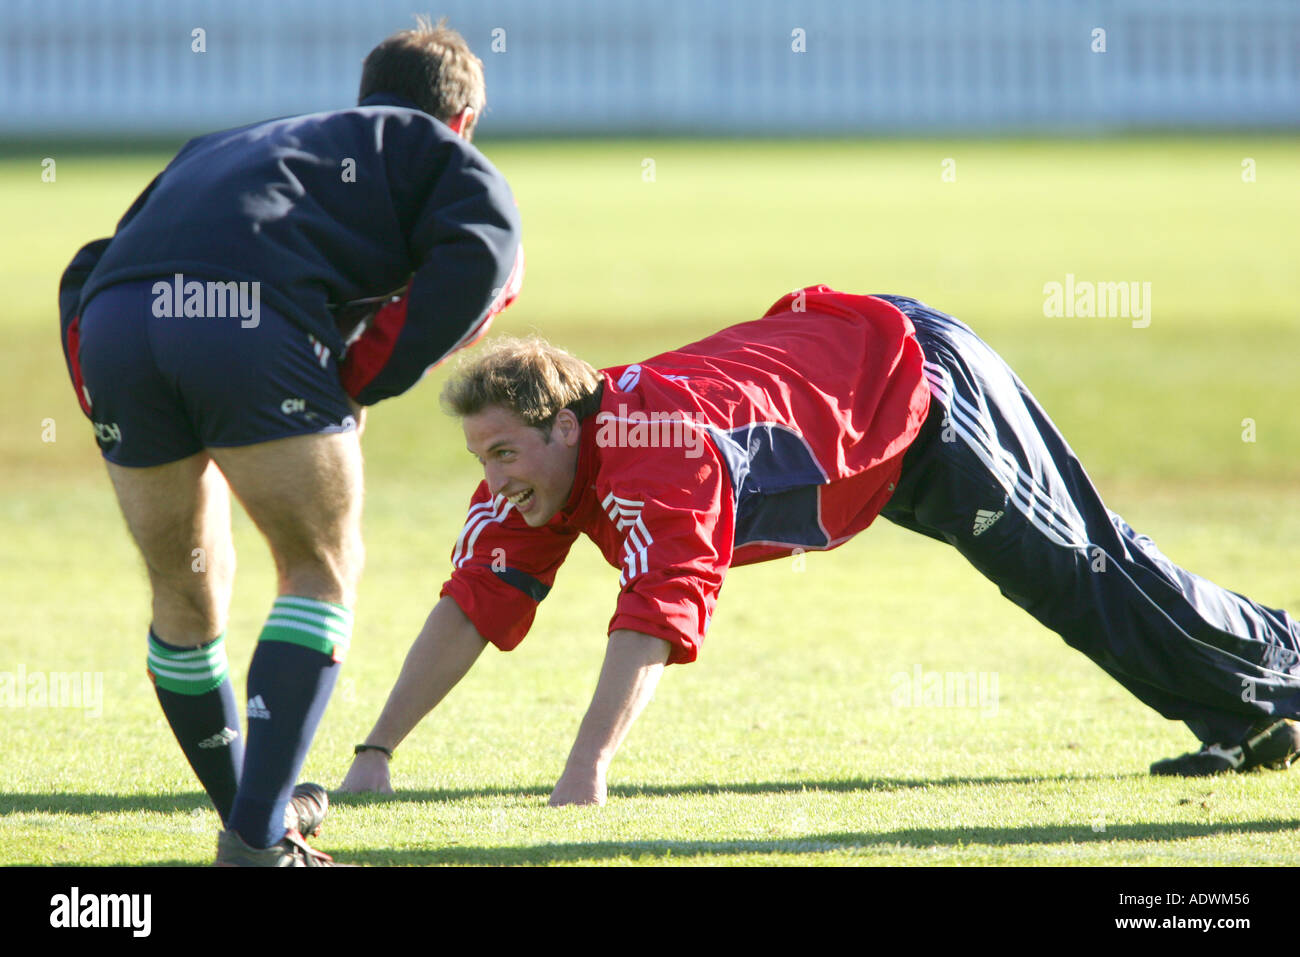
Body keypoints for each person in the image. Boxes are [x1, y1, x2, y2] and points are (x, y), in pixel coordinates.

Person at [338, 287, 1300, 805]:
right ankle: (1242, 719)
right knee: (1077, 581)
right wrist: (376, 749)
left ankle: (1282, 672)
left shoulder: (655, 449)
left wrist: (585, 772)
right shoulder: (537, 464)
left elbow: (653, 617)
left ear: (566, 425)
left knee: (1088, 570)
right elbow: (474, 598)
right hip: (862, 421)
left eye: (503, 450)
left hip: (921, 384)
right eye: (480, 455)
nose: (493, 477)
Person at [57, 18, 523, 864]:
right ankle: (258, 839)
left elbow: (95, 263)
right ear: (462, 121)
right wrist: (357, 380)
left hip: (117, 321)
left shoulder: (230, 143)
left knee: (187, 595)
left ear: (364, 96)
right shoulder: (433, 146)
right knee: (319, 568)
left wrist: (97, 382)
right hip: (247, 323)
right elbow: (489, 252)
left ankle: (259, 824)